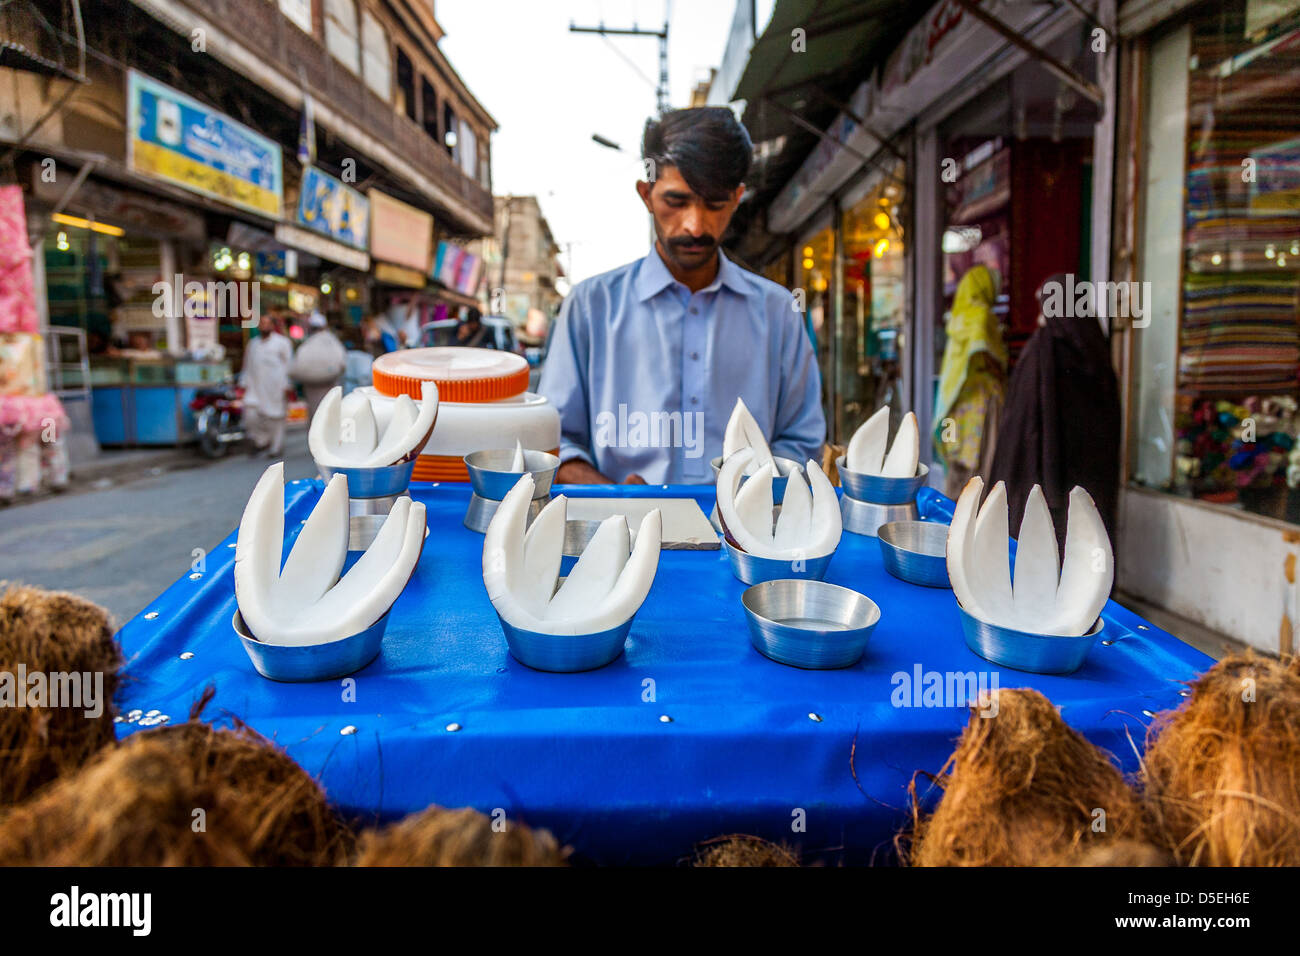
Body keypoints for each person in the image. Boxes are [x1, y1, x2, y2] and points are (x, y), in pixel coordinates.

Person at [539, 107, 825, 485]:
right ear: (646, 194)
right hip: (616, 536)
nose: (695, 225)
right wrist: (619, 500)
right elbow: (554, 445)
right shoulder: (590, 307)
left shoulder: (778, 313)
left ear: (738, 197)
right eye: (676, 202)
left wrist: (745, 497)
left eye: (715, 204)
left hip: (744, 541)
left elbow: (802, 444)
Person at [987, 273, 1122, 551]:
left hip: (1045, 489)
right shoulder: (1096, 349)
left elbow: (1025, 429)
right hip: (1089, 485)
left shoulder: (1044, 351)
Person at [933, 264, 1008, 499]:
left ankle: (951, 516)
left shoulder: (958, 317)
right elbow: (987, 355)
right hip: (982, 404)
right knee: (981, 467)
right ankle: (973, 523)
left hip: (956, 405)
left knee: (957, 461)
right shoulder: (982, 316)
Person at [239, 310, 293, 457]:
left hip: (276, 387)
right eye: (262, 323)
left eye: (267, 323)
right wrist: (243, 383)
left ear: (273, 326)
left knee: (276, 418)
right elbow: (247, 365)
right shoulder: (253, 344)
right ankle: (261, 441)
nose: (264, 326)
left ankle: (276, 447)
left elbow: (289, 365)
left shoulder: (282, 343)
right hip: (255, 387)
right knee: (251, 415)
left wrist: (287, 385)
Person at [290, 311, 347, 418]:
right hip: (330, 387)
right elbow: (342, 364)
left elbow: (295, 368)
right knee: (330, 415)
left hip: (312, 390)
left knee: (316, 416)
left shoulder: (306, 345)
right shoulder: (332, 342)